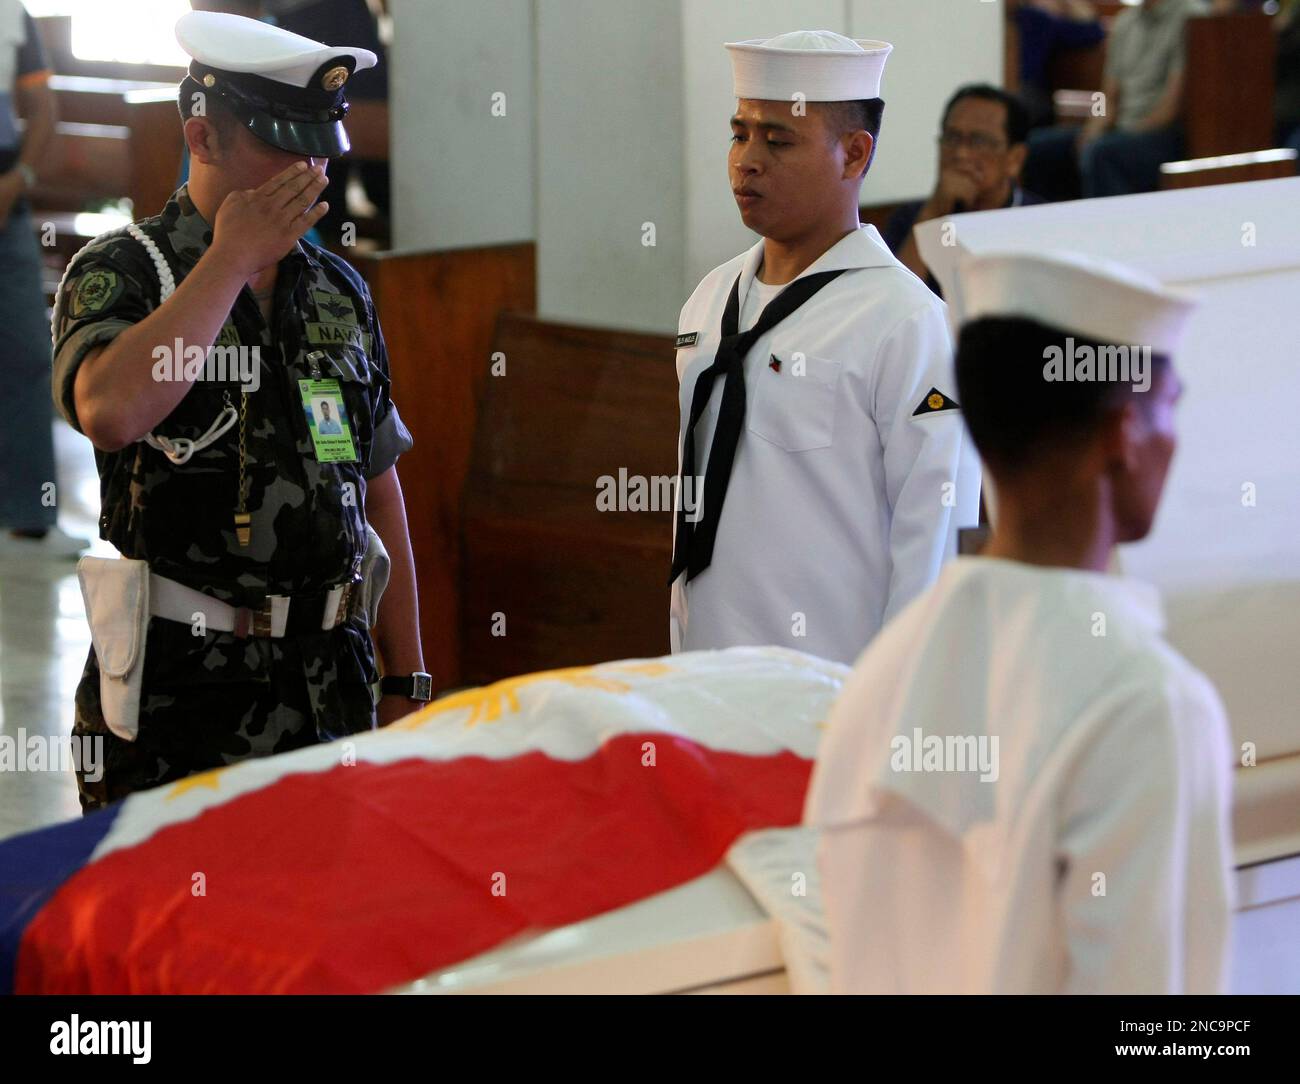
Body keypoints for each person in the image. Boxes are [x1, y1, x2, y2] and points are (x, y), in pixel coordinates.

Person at [805, 250, 1235, 994]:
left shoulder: (880, 672)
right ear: (1124, 432)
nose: (1174, 440)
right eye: (1169, 408)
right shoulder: (1143, 701)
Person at [51, 11, 429, 812]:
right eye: (285, 144)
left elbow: (379, 482)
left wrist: (407, 678)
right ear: (204, 137)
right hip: (181, 700)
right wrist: (229, 260)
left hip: (332, 685)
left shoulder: (337, 290)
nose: (312, 169)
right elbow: (111, 410)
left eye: (320, 145)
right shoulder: (126, 270)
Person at [669, 30, 980, 667]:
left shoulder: (907, 322)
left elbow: (936, 540)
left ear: (854, 154)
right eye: (739, 134)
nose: (746, 160)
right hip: (705, 677)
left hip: (833, 690)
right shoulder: (709, 299)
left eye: (778, 140)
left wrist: (895, 712)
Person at [0, 0, 86, 559]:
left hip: (4, 194)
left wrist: (19, 179)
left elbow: (43, 107)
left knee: (27, 350)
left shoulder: (13, 14)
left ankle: (30, 516)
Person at [1023, 0, 1208, 201]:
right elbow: (1106, 95)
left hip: (1163, 133)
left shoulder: (1193, 16)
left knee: (1102, 153)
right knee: (1038, 148)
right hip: (1120, 128)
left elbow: (1171, 108)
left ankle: (1110, 229)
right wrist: (1093, 126)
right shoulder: (1124, 22)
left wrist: (1118, 135)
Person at [883, 84, 1044, 297]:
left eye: (979, 141)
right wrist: (934, 213)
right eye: (952, 138)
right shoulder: (911, 219)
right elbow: (894, 302)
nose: (961, 153)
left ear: (1015, 159)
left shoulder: (1041, 221)